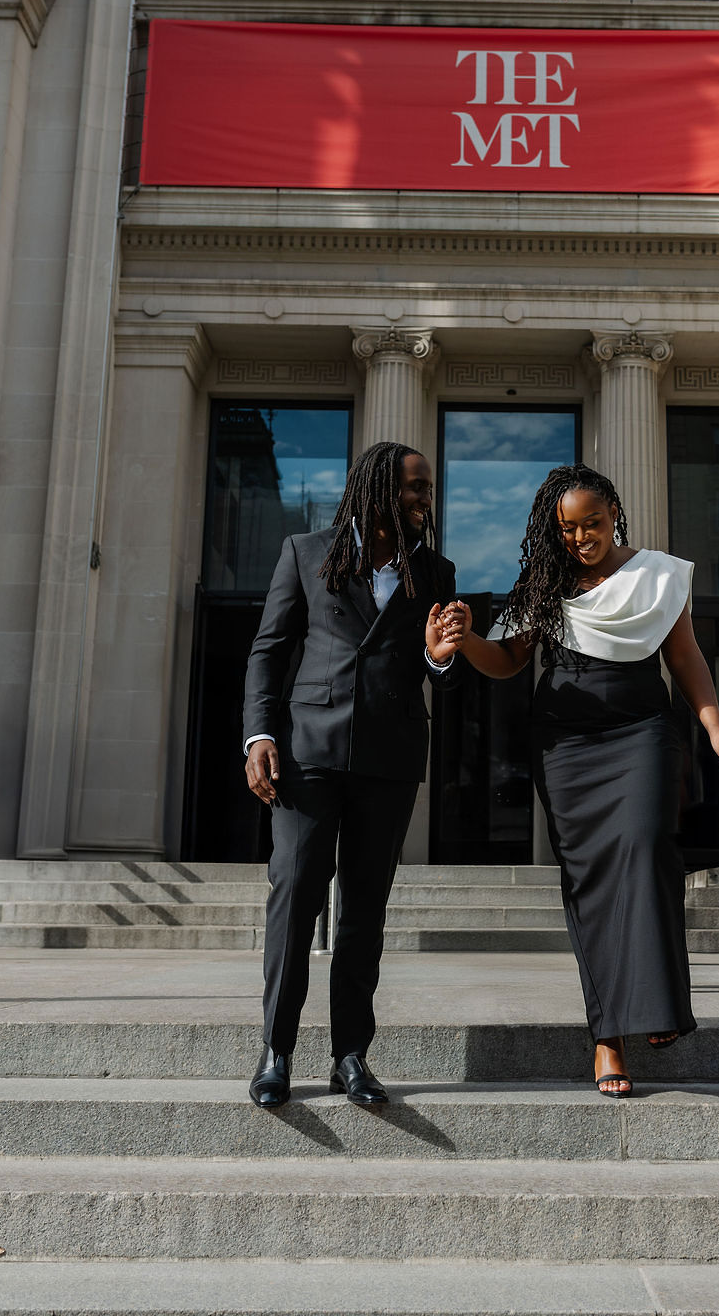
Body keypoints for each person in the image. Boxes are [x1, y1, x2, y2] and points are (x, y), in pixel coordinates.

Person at [438, 463, 719, 1097]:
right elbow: (508, 660)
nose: (581, 539)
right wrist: (466, 643)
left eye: (593, 524)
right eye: (569, 529)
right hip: (568, 747)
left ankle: (654, 1006)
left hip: (642, 732)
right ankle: (609, 1039)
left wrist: (713, 727)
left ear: (615, 515)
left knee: (648, 849)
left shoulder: (657, 574)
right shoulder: (545, 581)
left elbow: (683, 654)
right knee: (591, 886)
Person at [243, 441, 459, 1109]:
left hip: (389, 761)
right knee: (296, 896)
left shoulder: (437, 571)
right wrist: (260, 736)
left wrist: (440, 659)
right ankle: (276, 1050)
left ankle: (350, 1056)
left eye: (428, 488)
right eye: (416, 488)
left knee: (364, 912)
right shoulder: (308, 554)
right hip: (306, 756)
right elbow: (270, 650)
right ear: (379, 492)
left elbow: (433, 669)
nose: (427, 498)